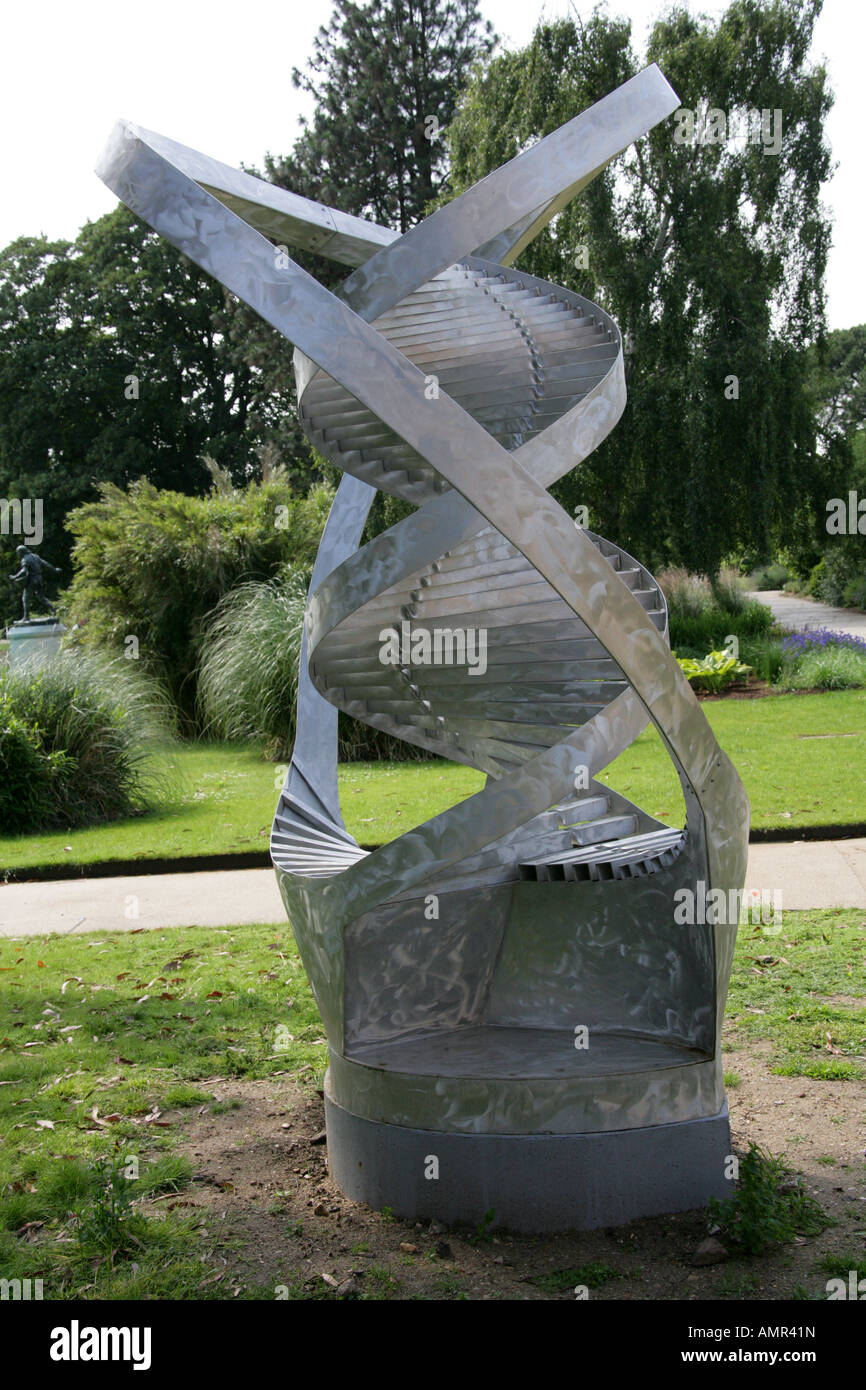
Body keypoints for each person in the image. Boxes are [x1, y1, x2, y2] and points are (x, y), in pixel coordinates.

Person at [8, 545, 61, 622]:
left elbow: (24, 571)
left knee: (25, 598)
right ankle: (54, 609)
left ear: (21, 552)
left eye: (18, 553)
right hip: (39, 580)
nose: (18, 554)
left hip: (32, 580)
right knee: (41, 597)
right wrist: (54, 569)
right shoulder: (35, 556)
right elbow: (45, 563)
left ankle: (26, 617)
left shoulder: (25, 559)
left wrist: (14, 577)